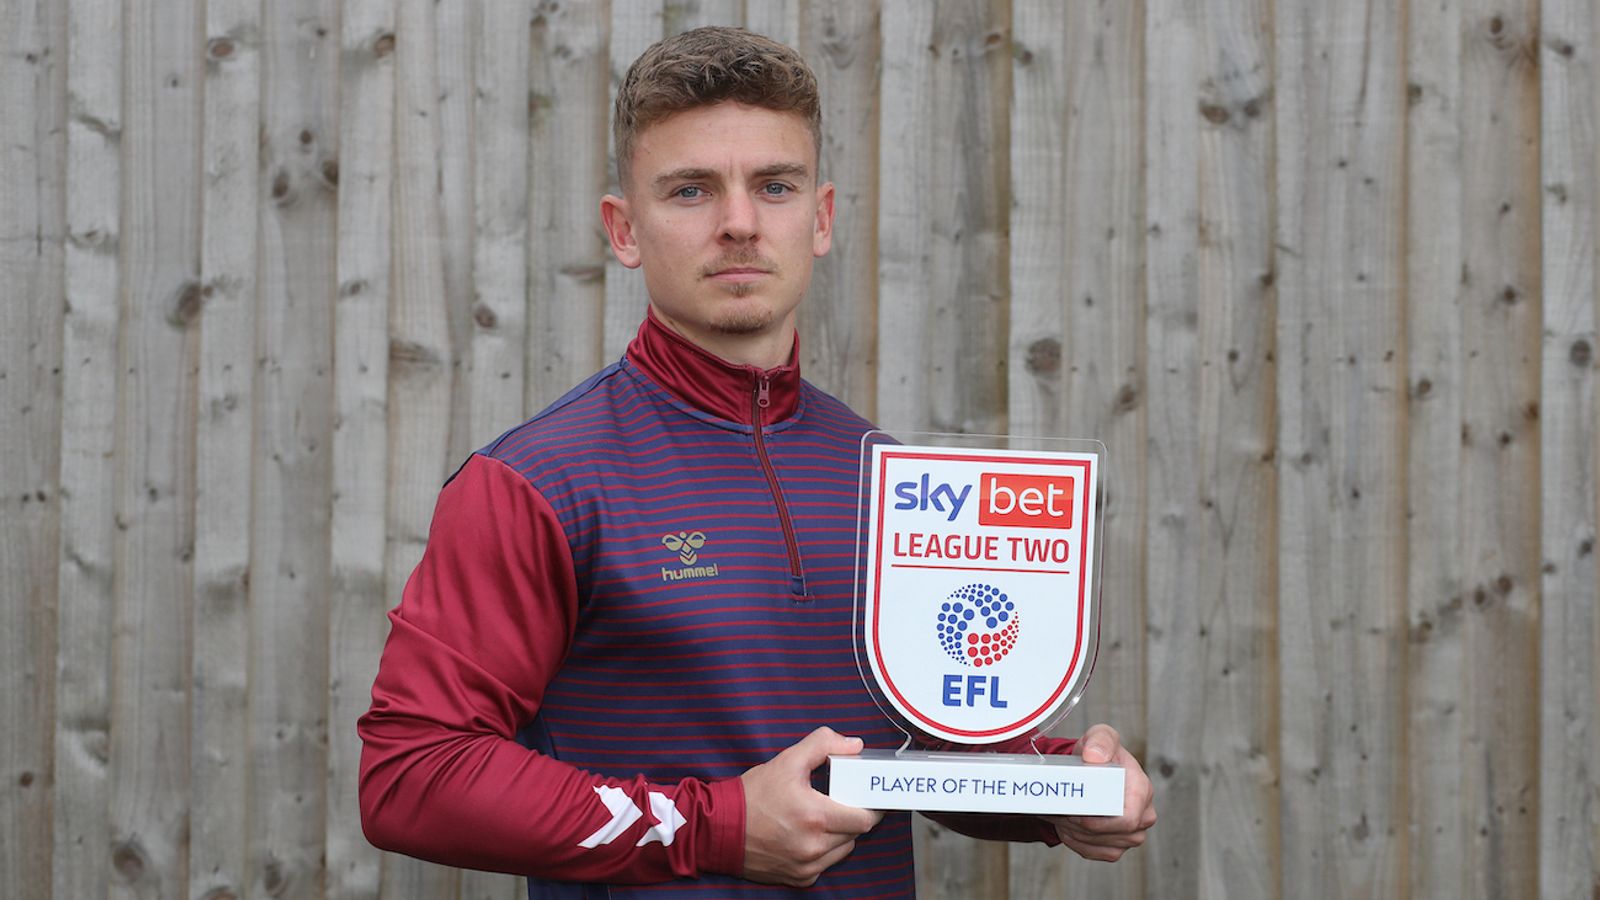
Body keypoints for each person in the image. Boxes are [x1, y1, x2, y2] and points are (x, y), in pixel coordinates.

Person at [358, 26, 1156, 898]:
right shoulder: (537, 484)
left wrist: (1060, 786)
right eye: (691, 190)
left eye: (774, 186)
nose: (739, 222)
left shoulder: (890, 478)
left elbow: (915, 749)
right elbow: (411, 775)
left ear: (820, 218)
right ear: (624, 230)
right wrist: (720, 825)